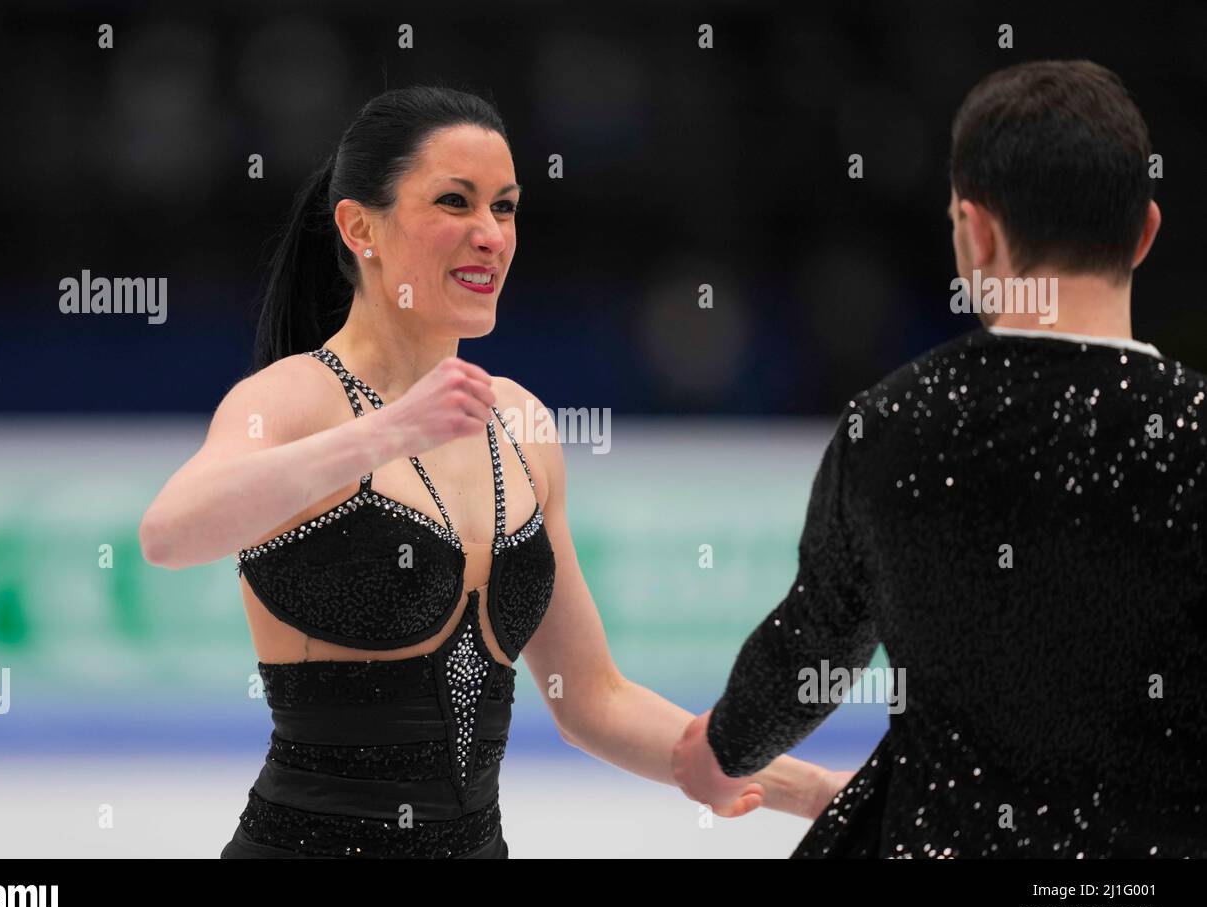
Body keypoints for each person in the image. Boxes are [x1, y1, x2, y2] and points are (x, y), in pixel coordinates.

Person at [139, 85, 847, 858]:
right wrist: (382, 434)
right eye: (455, 202)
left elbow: (593, 700)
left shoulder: (520, 423)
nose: (490, 235)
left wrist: (818, 794)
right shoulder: (293, 399)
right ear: (359, 226)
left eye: (505, 209)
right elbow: (170, 534)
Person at [673, 60, 1207, 858]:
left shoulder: (893, 427)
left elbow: (812, 644)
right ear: (1146, 231)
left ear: (974, 230)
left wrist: (720, 751)